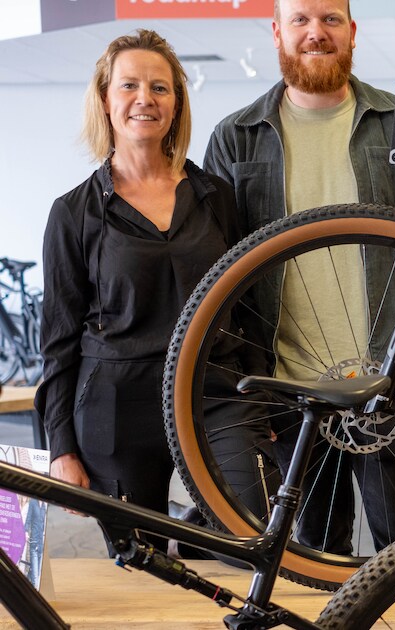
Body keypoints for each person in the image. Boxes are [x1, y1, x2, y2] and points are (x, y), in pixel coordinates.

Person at [204, 0, 395, 554]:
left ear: (352, 32)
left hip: (392, 387)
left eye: (330, 20)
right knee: (311, 559)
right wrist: (244, 388)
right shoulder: (235, 136)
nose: (315, 33)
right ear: (277, 33)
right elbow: (218, 280)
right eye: (301, 21)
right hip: (286, 394)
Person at [37, 29, 276, 536]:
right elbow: (58, 342)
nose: (144, 99)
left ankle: (193, 537)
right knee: (139, 560)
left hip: (216, 389)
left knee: (248, 533)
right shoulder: (73, 214)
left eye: (160, 88)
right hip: (117, 404)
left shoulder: (216, 197)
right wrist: (60, 448)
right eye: (128, 86)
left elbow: (248, 304)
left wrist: (265, 398)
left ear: (175, 104)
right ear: (105, 100)